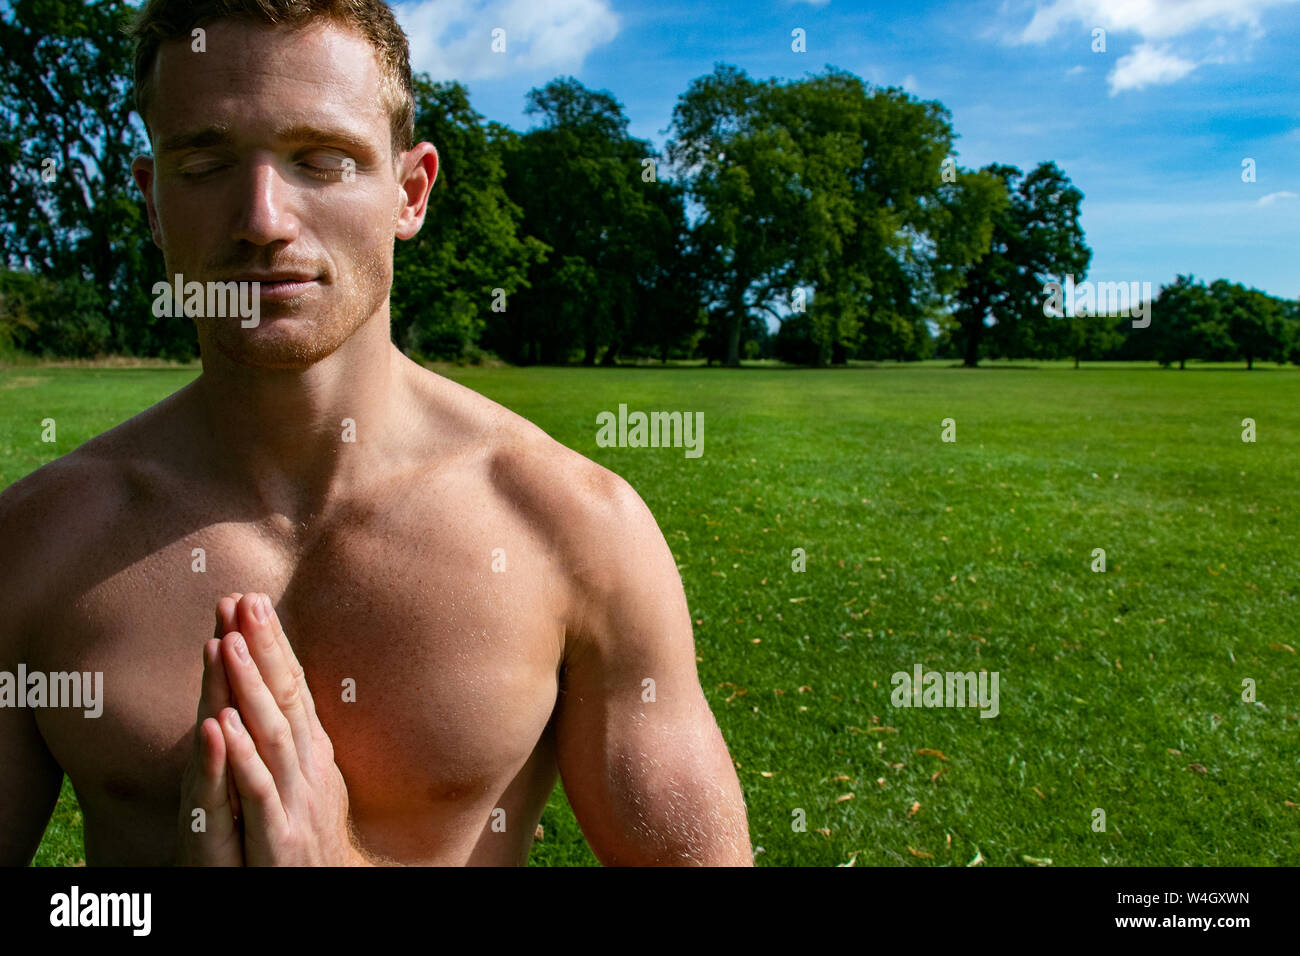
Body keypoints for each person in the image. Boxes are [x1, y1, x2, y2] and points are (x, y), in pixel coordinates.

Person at [0, 0, 751, 866]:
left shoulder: (577, 529)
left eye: (322, 161)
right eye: (204, 163)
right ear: (152, 200)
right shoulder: (36, 545)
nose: (263, 220)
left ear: (410, 190)